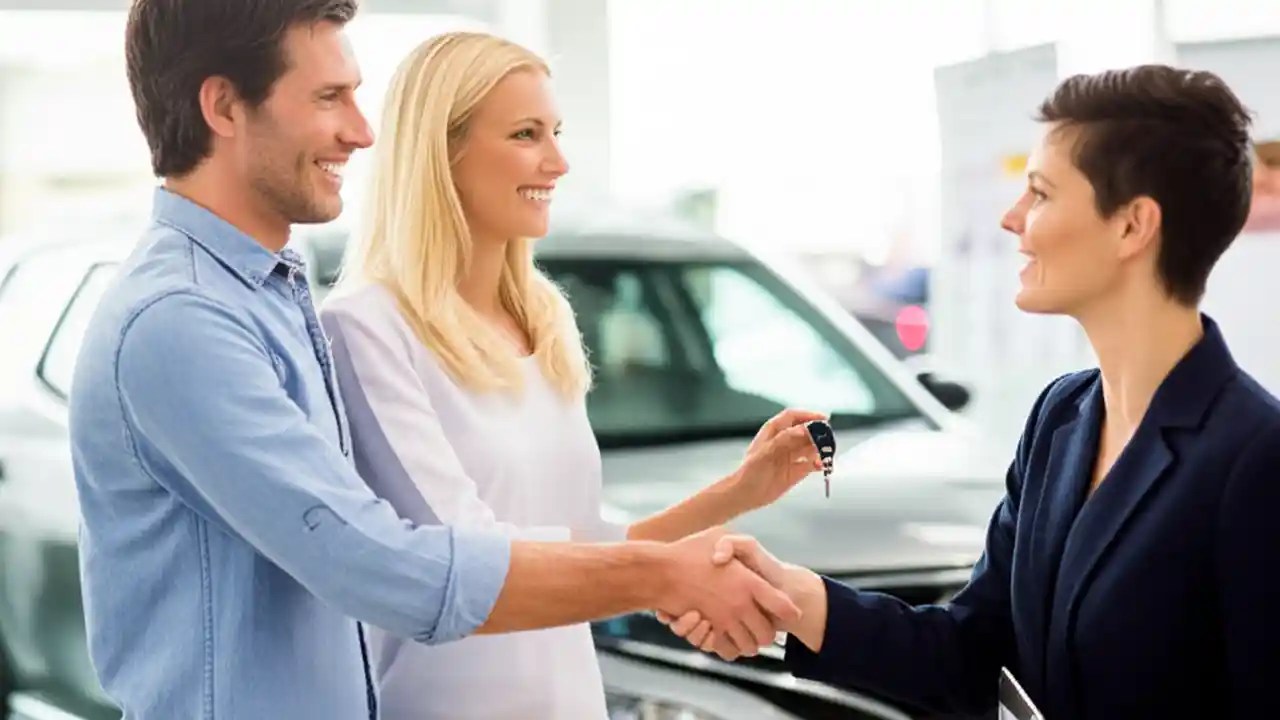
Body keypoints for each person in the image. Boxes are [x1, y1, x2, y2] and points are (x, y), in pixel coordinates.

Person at [68, 3, 816, 719]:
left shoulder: (269, 296)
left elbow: (541, 547)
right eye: (329, 97)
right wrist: (664, 574)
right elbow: (382, 566)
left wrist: (720, 511)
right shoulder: (184, 321)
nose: (362, 132)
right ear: (224, 107)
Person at [663, 64, 1280, 719]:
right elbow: (974, 650)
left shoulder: (1255, 459)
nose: (1013, 219)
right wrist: (791, 597)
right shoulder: (1061, 418)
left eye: (1040, 193)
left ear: (1133, 225)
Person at [318, 31, 827, 719]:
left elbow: (588, 550)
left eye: (555, 133)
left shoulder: (541, 315)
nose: (557, 163)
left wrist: (740, 491)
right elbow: (472, 567)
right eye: (526, 134)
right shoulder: (367, 328)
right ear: (442, 152)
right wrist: (672, 578)